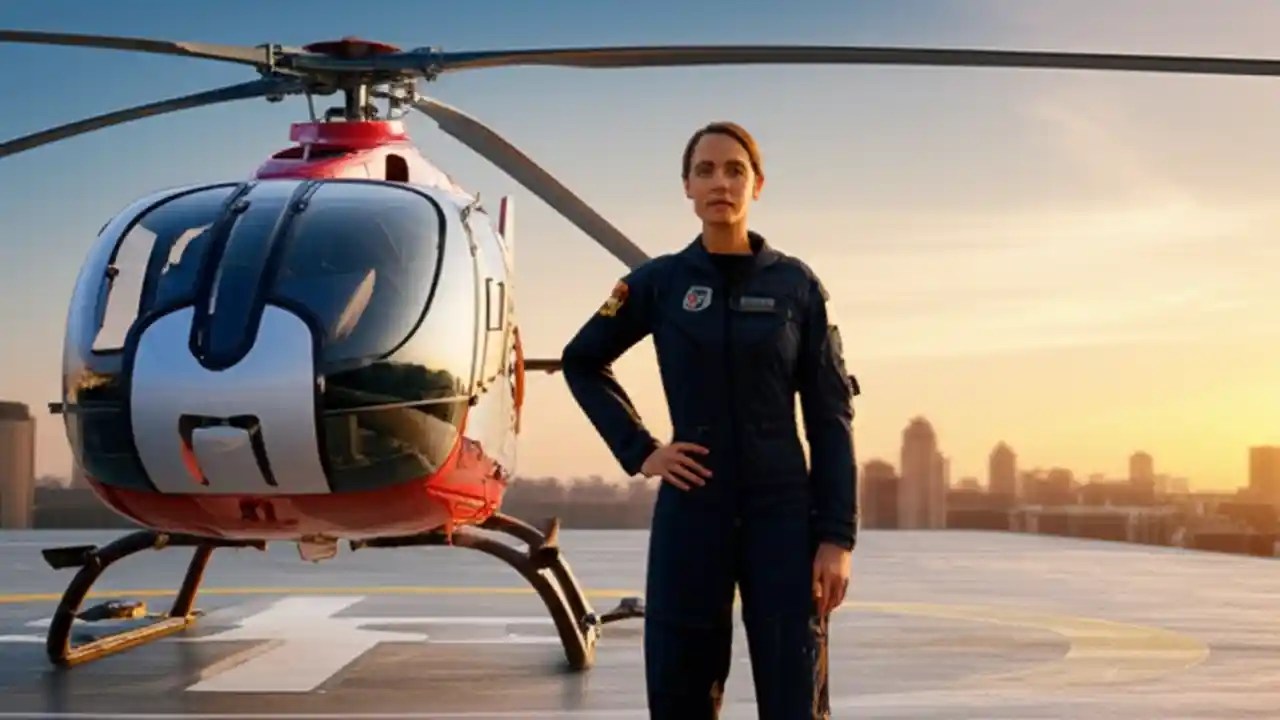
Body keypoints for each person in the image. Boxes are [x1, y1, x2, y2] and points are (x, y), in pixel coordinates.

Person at [560, 121, 859, 718]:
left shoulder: (796, 286)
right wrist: (642, 450)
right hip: (693, 508)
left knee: (795, 690)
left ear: (757, 185)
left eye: (734, 170)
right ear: (687, 188)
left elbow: (830, 417)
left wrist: (836, 538)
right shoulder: (659, 283)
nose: (720, 182)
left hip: (783, 514)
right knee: (680, 688)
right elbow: (582, 361)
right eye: (705, 170)